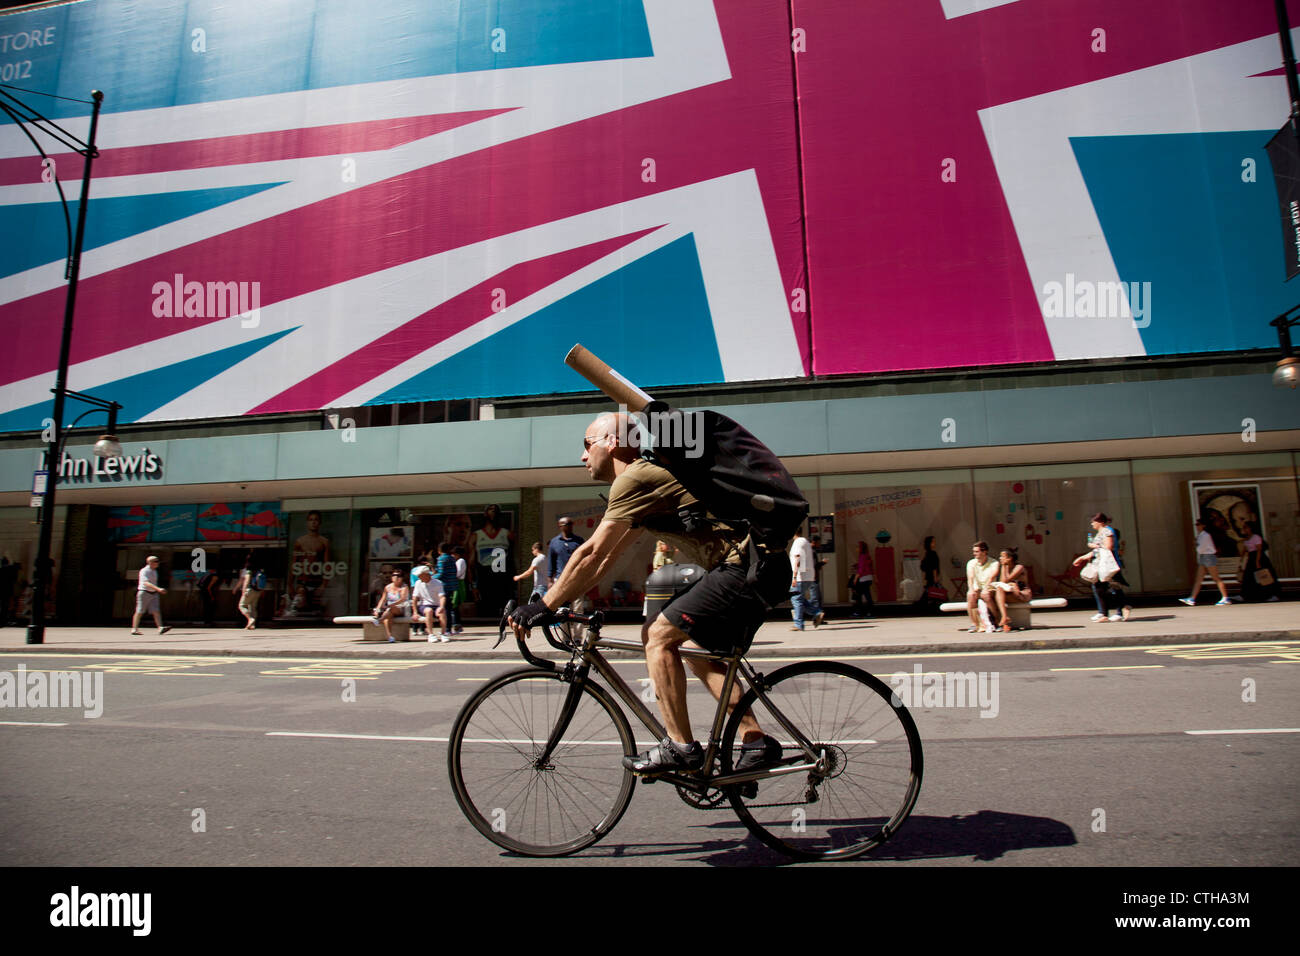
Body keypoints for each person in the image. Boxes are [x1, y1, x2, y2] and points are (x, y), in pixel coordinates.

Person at [509, 411, 791, 778]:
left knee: (657, 637)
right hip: (758, 567)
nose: (582, 456)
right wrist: (553, 603)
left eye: (586, 444)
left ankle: (681, 748)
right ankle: (754, 743)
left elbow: (591, 552)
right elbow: (604, 559)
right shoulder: (643, 483)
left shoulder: (636, 478)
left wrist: (543, 604)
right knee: (690, 648)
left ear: (612, 443)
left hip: (747, 568)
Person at [1072, 513, 1131, 622]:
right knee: (1100, 587)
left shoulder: (1107, 531)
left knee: (1113, 587)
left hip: (1107, 565)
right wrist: (1083, 557)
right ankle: (1105, 612)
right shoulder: (1101, 532)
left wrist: (1095, 546)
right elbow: (1097, 551)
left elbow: (1108, 547)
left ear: (1100, 522)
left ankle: (1120, 610)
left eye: (1093, 522)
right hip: (1100, 564)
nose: (1092, 524)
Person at [471, 504, 514, 617]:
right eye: (490, 510)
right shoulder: (477, 535)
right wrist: (472, 584)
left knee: (502, 604)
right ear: (485, 514)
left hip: (501, 572)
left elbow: (514, 556)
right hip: (484, 572)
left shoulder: (507, 534)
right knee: (486, 605)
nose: (493, 513)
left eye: (495, 511)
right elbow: (471, 561)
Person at [1178, 519, 1230, 607]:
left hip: (1208, 556)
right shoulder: (1201, 535)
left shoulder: (1205, 536)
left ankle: (1225, 597)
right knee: (1199, 579)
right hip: (1204, 557)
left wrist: (1195, 544)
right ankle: (1192, 598)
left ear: (1203, 525)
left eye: (1198, 524)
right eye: (1196, 524)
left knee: (1216, 578)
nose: (1197, 526)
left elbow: (1200, 549)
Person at [988, 547, 1031, 632]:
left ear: (1009, 558)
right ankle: (1003, 618)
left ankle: (1003, 620)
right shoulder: (1005, 568)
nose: (1000, 558)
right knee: (995, 592)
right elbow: (1002, 583)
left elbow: (1007, 579)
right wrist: (1004, 567)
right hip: (1012, 594)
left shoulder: (1019, 567)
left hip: (1022, 594)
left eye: (1002, 556)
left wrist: (1004, 566)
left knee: (999, 592)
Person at [788, 530, 824, 631]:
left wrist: (794, 577)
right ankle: (816, 612)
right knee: (799, 599)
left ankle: (799, 624)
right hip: (808, 576)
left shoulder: (798, 543)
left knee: (796, 599)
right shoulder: (806, 542)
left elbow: (797, 559)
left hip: (800, 577)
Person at [1238, 522, 1281, 603]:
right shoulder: (1247, 538)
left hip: (1259, 558)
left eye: (1246, 527)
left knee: (1265, 576)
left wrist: (1257, 562)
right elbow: (1245, 550)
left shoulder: (1256, 537)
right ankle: (1243, 595)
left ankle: (1273, 595)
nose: (1244, 529)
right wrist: (1241, 560)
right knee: (1247, 577)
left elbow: (1259, 550)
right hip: (1251, 558)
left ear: (1250, 528)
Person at [131, 555, 171, 635]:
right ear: (149, 562)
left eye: (158, 561)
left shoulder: (154, 571)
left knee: (156, 611)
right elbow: (146, 583)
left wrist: (156, 590)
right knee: (140, 611)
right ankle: (134, 629)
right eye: (156, 561)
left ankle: (160, 627)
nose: (157, 563)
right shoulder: (144, 571)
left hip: (153, 593)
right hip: (144, 592)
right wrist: (158, 589)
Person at [965, 541, 999, 632]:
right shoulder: (971, 563)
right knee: (970, 595)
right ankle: (974, 624)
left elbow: (992, 577)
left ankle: (996, 621)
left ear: (984, 552)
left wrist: (985, 589)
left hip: (990, 587)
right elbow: (970, 578)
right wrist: (971, 589)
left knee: (986, 595)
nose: (974, 554)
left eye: (977, 551)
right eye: (974, 551)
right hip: (977, 588)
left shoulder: (994, 562)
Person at [371, 570, 410, 642]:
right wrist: (377, 609)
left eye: (399, 576)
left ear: (402, 578)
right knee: (388, 616)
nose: (396, 577)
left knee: (390, 609)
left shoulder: (404, 587)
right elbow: (383, 599)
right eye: (394, 575)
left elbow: (402, 599)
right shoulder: (387, 587)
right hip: (389, 609)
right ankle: (390, 637)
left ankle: (379, 621)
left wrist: (393, 604)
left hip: (401, 608)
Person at [412, 568, 449, 642]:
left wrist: (441, 607)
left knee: (442, 612)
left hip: (436, 605)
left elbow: (442, 597)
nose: (419, 577)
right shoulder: (418, 583)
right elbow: (415, 599)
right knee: (429, 611)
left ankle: (443, 633)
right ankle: (431, 634)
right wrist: (415, 612)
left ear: (426, 574)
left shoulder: (438, 583)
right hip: (425, 605)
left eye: (420, 575)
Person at [435, 543, 461, 633]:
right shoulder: (452, 558)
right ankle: (448, 628)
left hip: (444, 586)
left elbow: (441, 573)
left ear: (439, 550)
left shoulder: (441, 559)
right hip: (452, 585)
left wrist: (431, 577)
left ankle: (446, 628)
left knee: (445, 608)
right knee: (449, 608)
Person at [234, 559, 260, 630]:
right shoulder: (258, 571)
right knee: (253, 607)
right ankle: (252, 625)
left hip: (249, 590)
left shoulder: (248, 571)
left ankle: (250, 619)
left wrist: (243, 590)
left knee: (241, 605)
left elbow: (245, 580)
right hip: (257, 591)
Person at [851, 540, 874, 618]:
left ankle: (862, 612)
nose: (856, 548)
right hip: (869, 578)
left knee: (860, 595)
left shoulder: (862, 556)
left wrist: (855, 579)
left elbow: (861, 569)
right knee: (866, 595)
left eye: (858, 547)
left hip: (863, 579)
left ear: (861, 548)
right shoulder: (867, 555)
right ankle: (867, 612)